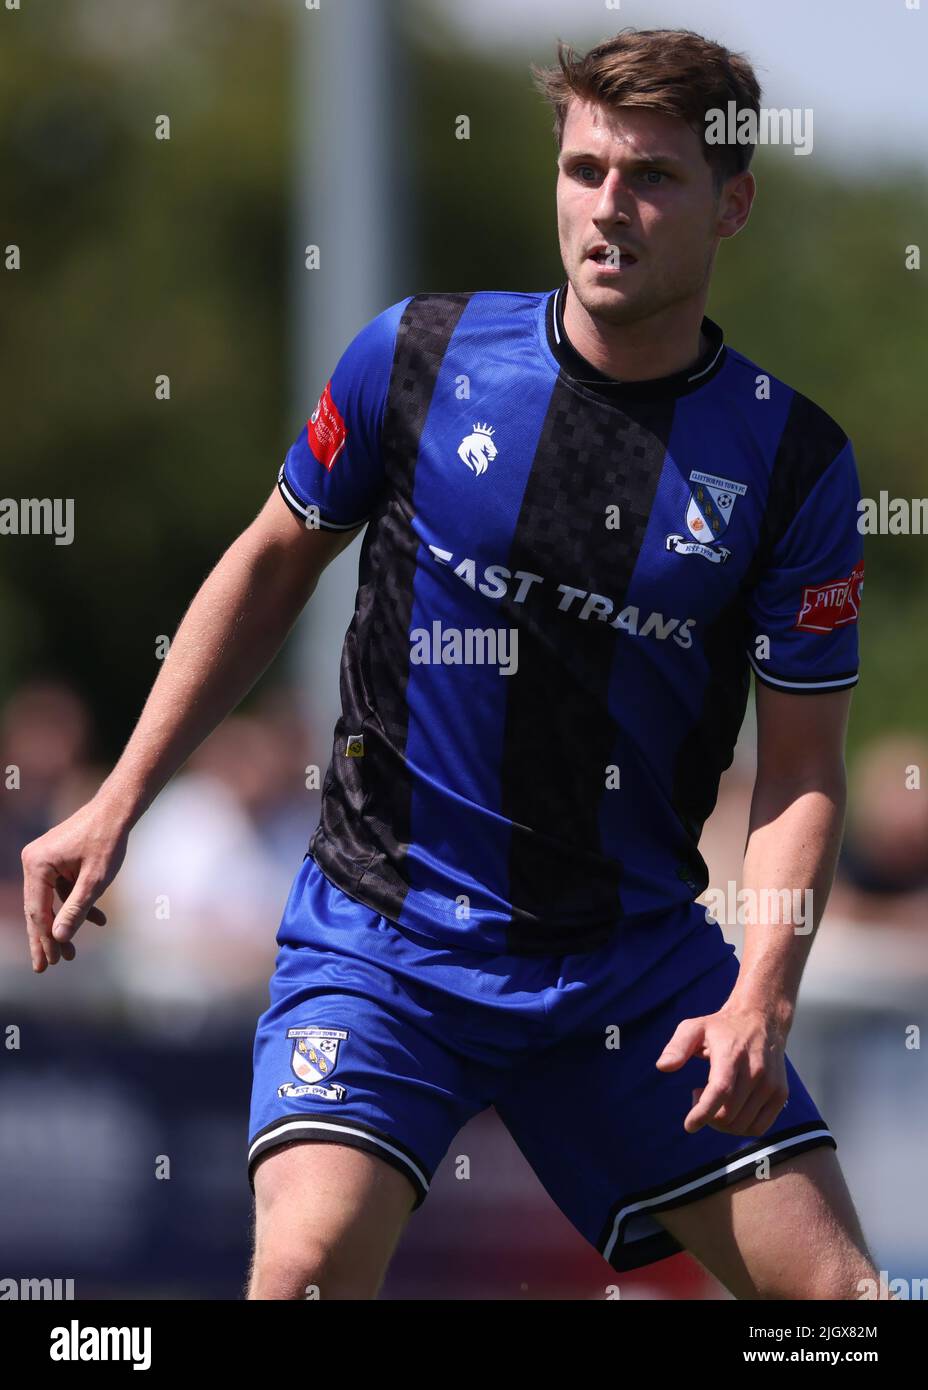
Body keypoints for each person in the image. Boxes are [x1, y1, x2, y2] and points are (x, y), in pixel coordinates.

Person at [22, 28, 882, 1300]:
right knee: (305, 1268)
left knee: (845, 1311)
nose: (607, 208)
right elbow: (266, 568)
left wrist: (762, 989)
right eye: (583, 169)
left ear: (731, 203)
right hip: (386, 940)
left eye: (650, 177)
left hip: (631, 970)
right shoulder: (416, 356)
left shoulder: (791, 461)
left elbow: (803, 771)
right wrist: (119, 796)